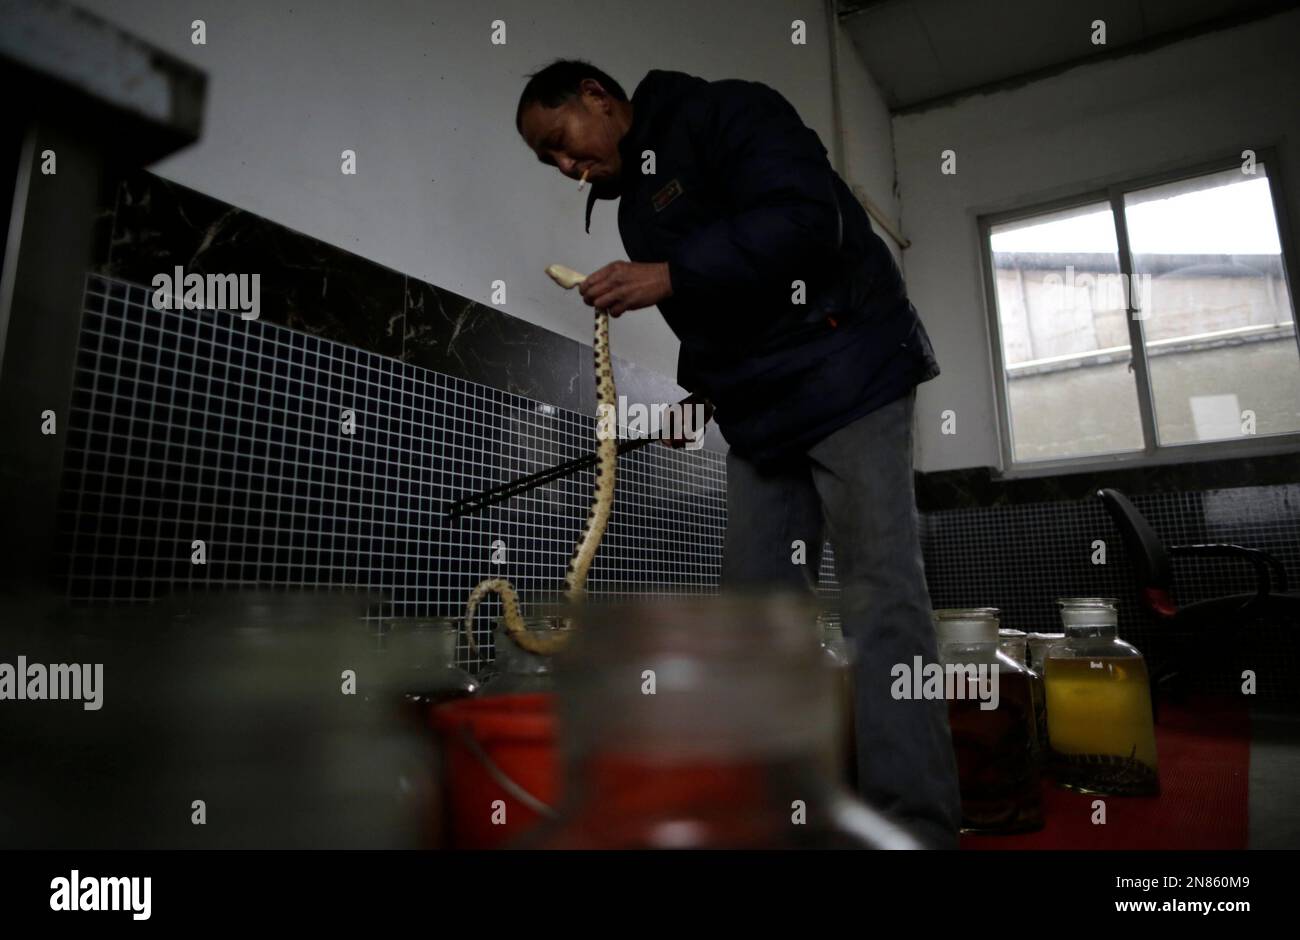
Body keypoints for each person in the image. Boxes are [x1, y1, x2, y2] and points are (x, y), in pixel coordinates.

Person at [516, 60, 961, 849]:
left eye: (561, 142)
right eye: (547, 162)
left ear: (596, 96)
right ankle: (772, 819)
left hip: (850, 366)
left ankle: (914, 823)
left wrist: (670, 272)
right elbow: (712, 311)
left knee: (879, 596)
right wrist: (702, 390)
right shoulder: (633, 216)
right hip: (762, 410)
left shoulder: (728, 112)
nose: (564, 167)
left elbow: (804, 221)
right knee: (752, 619)